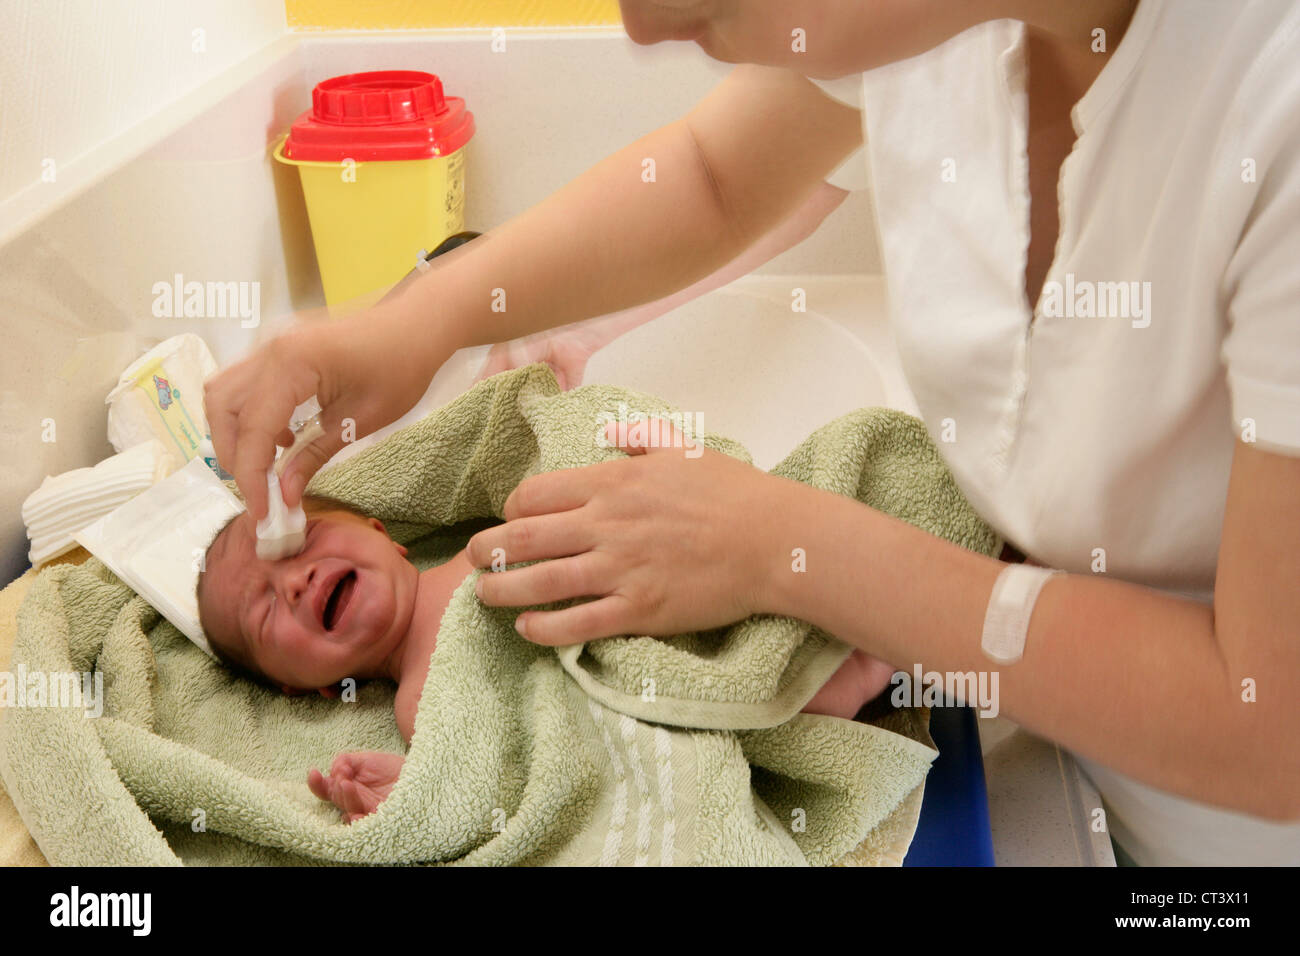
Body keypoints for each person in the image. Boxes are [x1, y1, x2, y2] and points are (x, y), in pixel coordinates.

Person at [204, 0, 1300, 865]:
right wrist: (415, 323)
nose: (640, 25)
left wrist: (789, 550)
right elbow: (710, 179)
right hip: (1085, 768)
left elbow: (1268, 721)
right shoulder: (940, 27)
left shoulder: (1270, 100)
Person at [195, 495, 894, 821]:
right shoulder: (420, 705)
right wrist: (412, 789)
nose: (294, 580)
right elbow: (506, 779)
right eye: (262, 611)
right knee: (809, 697)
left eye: (305, 540)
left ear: (387, 537)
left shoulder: (486, 537)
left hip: (681, 598)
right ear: (307, 690)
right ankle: (878, 655)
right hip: (669, 697)